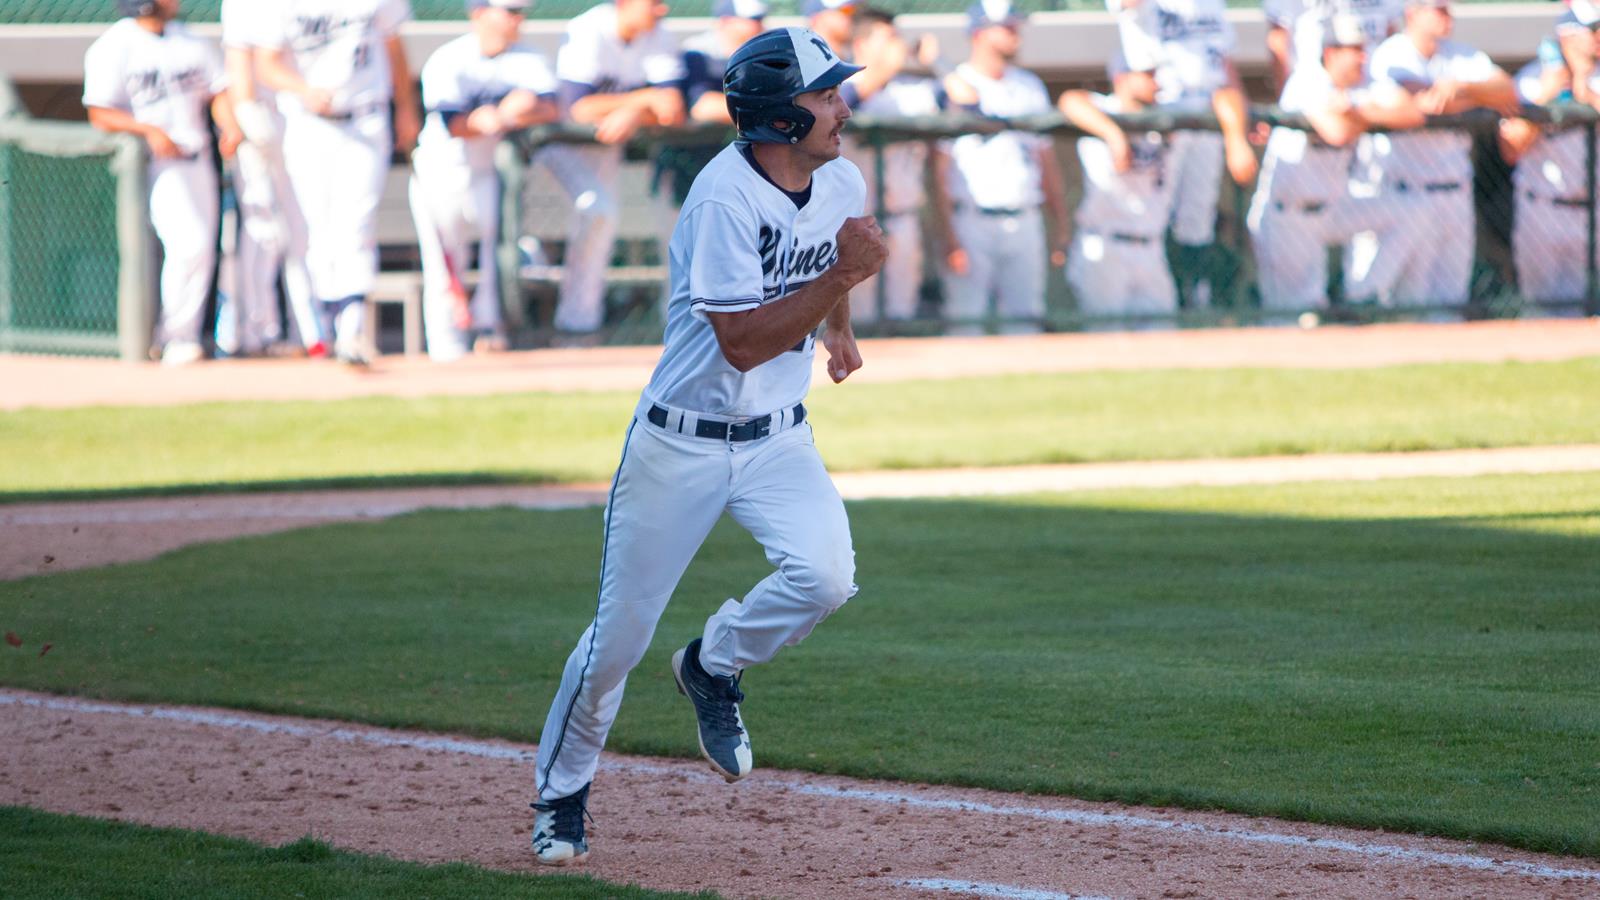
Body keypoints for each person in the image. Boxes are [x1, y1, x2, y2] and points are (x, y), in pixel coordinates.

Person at [530, 27, 886, 867]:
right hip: (679, 446)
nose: (841, 106)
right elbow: (742, 343)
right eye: (824, 94)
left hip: (778, 439)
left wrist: (839, 328)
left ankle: (713, 663)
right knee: (617, 641)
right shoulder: (722, 198)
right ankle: (562, 794)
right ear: (778, 117)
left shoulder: (840, 175)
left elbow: (836, 250)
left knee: (827, 574)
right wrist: (839, 285)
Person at [255, 0, 421, 366]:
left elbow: (394, 48)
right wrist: (302, 88)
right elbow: (266, 63)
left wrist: (406, 108)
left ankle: (352, 329)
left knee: (356, 222)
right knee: (317, 228)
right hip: (308, 122)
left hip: (366, 117)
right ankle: (322, 330)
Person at [83, 0, 239, 366]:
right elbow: (99, 113)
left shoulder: (190, 40)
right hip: (152, 165)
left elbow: (217, 91)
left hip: (196, 158)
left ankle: (182, 335)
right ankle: (175, 337)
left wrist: (229, 125)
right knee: (189, 247)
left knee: (200, 251)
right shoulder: (113, 45)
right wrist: (147, 129)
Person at [410, 0, 558, 361]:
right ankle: (446, 345)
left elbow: (551, 108)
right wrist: (490, 117)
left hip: (488, 169)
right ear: (478, 13)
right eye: (508, 11)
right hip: (442, 168)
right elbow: (455, 124)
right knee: (445, 257)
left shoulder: (529, 57)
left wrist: (510, 112)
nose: (517, 19)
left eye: (520, 12)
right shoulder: (449, 59)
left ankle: (492, 330)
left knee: (499, 247)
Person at [1248, 14, 1422, 314]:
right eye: (1353, 49)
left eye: (1362, 48)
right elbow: (1336, 132)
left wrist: (1357, 111)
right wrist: (1366, 114)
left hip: (1331, 208)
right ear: (1331, 53)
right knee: (1295, 320)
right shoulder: (1307, 80)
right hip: (1287, 216)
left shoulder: (1361, 83)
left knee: (1412, 211)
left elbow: (1412, 113)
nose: (1362, 56)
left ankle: (1363, 295)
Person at [1354, 0, 1516, 311]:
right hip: (1406, 194)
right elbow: (1422, 105)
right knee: (1409, 305)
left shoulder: (1461, 56)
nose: (1447, 16)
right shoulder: (1390, 54)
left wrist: (1462, 87)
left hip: (1455, 193)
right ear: (1412, 13)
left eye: (1447, 9)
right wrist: (1473, 99)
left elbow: (1507, 91)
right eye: (1438, 9)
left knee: (1450, 304)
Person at [544, 0, 686, 337]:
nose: (662, 9)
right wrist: (642, 101)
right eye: (653, 3)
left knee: (601, 224)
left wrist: (635, 110)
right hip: (560, 147)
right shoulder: (588, 29)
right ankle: (572, 323)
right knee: (596, 213)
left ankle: (580, 325)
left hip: (607, 149)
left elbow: (673, 110)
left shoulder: (660, 36)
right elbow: (576, 109)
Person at [1109, 0, 1258, 308]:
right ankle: (1168, 296)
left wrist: (1243, 118)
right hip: (1160, 112)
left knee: (1198, 217)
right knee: (1152, 214)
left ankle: (1195, 302)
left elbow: (1223, 64)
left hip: (1208, 111)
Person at [934, 0, 1070, 335]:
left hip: (1025, 218)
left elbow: (1046, 161)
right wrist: (948, 236)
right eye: (1006, 27)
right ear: (979, 33)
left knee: (1026, 324)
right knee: (965, 326)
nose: (1015, 34)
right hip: (972, 220)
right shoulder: (955, 84)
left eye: (1015, 26)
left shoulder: (1029, 85)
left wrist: (1061, 222)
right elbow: (938, 171)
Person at [219, 0, 323, 358]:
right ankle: (257, 331)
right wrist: (246, 115)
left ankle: (312, 332)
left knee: (305, 230)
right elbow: (240, 68)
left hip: (306, 122)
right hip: (264, 121)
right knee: (264, 231)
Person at [1057, 57, 1177, 328]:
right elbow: (1069, 100)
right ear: (1122, 78)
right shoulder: (1104, 110)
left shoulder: (1166, 115)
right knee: (1106, 340)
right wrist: (1113, 134)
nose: (1155, 82)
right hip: (1106, 244)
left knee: (1164, 340)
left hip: (1152, 247)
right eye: (1146, 74)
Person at [846, 7, 947, 324]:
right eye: (887, 38)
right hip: (854, 221)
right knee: (857, 318)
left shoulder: (911, 89)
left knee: (901, 315)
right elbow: (847, 101)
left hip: (903, 219)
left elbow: (969, 102)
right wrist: (888, 64)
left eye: (896, 37)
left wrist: (935, 63)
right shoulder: (844, 82)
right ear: (861, 44)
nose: (897, 44)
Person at [1500, 41, 1598, 309]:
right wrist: (1547, 95)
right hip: (1543, 207)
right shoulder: (1534, 79)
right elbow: (1511, 147)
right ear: (1565, 36)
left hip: (1593, 210)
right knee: (1541, 310)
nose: (1596, 37)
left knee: (1584, 315)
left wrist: (1584, 85)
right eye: (1588, 30)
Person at [1264, 0, 1405, 91]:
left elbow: (1391, 29)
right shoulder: (1305, 86)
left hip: (1372, 85)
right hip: (1315, 83)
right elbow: (1278, 40)